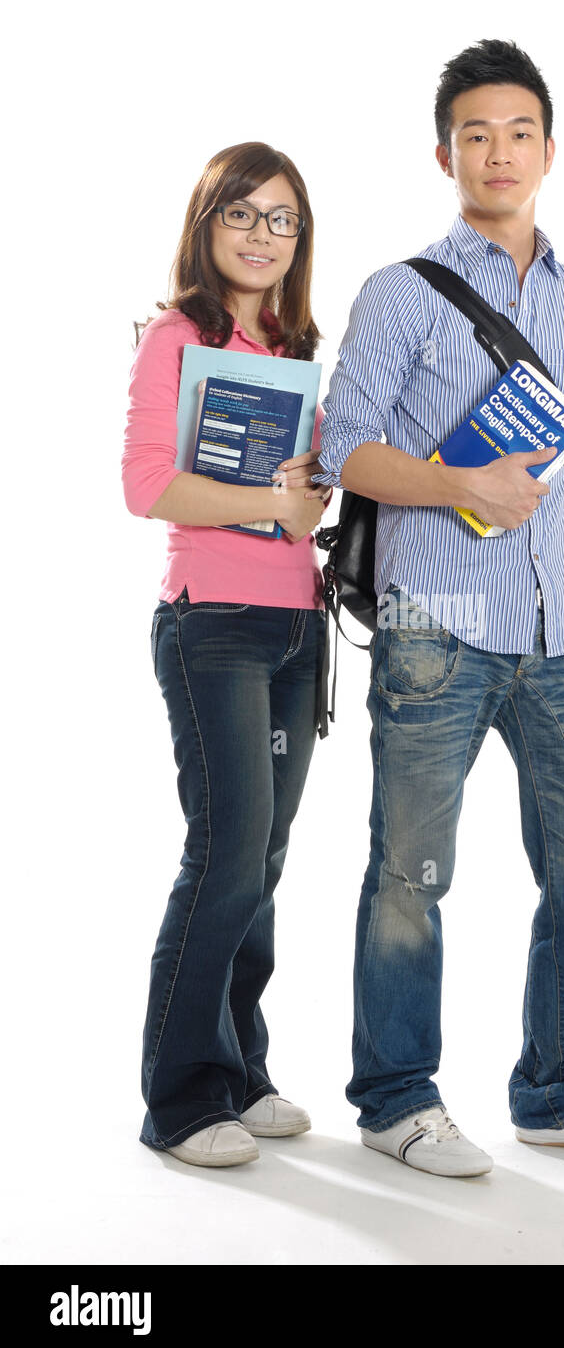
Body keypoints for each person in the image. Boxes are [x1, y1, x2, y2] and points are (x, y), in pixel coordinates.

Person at [311, 41, 564, 1177]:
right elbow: (341, 447)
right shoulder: (399, 292)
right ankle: (394, 1101)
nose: (497, 152)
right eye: (474, 133)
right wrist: (453, 480)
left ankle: (559, 1089)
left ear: (548, 149)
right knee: (411, 875)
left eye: (517, 131)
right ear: (444, 154)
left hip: (558, 634)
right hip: (433, 627)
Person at [122, 141, 332, 1168]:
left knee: (265, 858)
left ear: (300, 238)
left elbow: (306, 500)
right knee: (224, 852)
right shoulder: (176, 335)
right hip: (214, 628)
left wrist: (317, 493)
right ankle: (180, 1099)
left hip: (298, 631)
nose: (261, 234)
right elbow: (146, 486)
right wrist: (276, 502)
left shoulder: (295, 346)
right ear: (207, 226)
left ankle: (240, 1073)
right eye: (241, 214)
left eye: (280, 218)